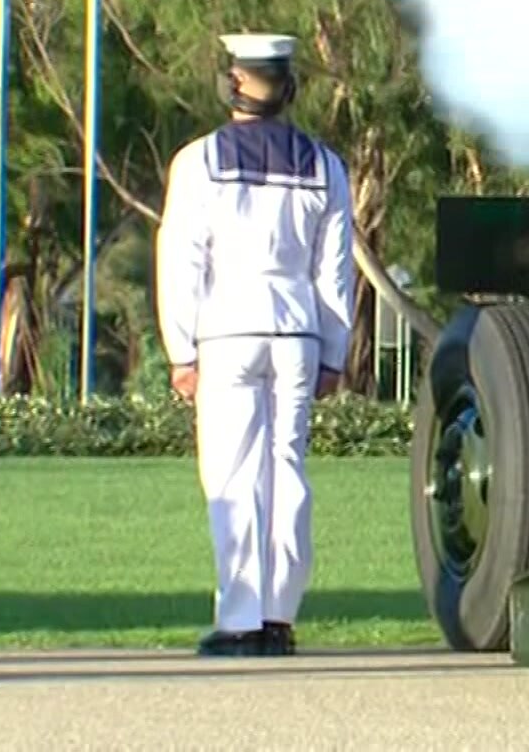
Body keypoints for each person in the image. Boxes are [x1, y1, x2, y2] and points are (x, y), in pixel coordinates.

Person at [155, 32, 357, 658]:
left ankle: (240, 618)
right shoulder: (326, 164)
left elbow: (182, 259)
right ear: (288, 87)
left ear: (232, 83)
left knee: (232, 473)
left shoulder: (198, 160)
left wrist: (179, 349)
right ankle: (279, 616)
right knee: (287, 471)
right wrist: (334, 352)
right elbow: (335, 270)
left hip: (228, 327)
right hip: (297, 330)